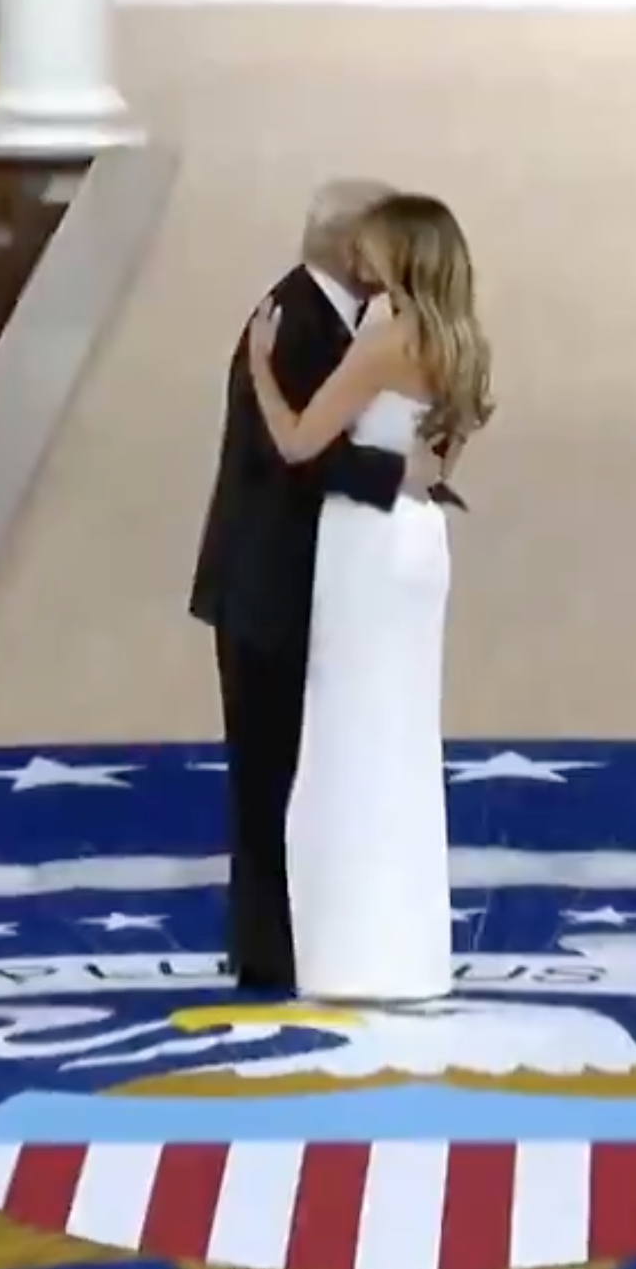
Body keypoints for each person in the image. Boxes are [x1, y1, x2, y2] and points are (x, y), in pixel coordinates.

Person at [189, 181, 445, 995]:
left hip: (329, 578)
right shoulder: (289, 319)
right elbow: (287, 455)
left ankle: (310, 936)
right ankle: (267, 959)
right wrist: (395, 475)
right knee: (267, 775)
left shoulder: (355, 322)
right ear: (351, 249)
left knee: (323, 763)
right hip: (266, 585)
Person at [242, 192, 489, 1003]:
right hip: (420, 545)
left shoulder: (387, 338)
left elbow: (297, 441)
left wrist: (260, 372)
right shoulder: (463, 343)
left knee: (350, 730)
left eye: (377, 248)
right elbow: (436, 466)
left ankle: (350, 950)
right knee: (402, 732)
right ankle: (403, 949)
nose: (364, 260)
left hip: (364, 548)